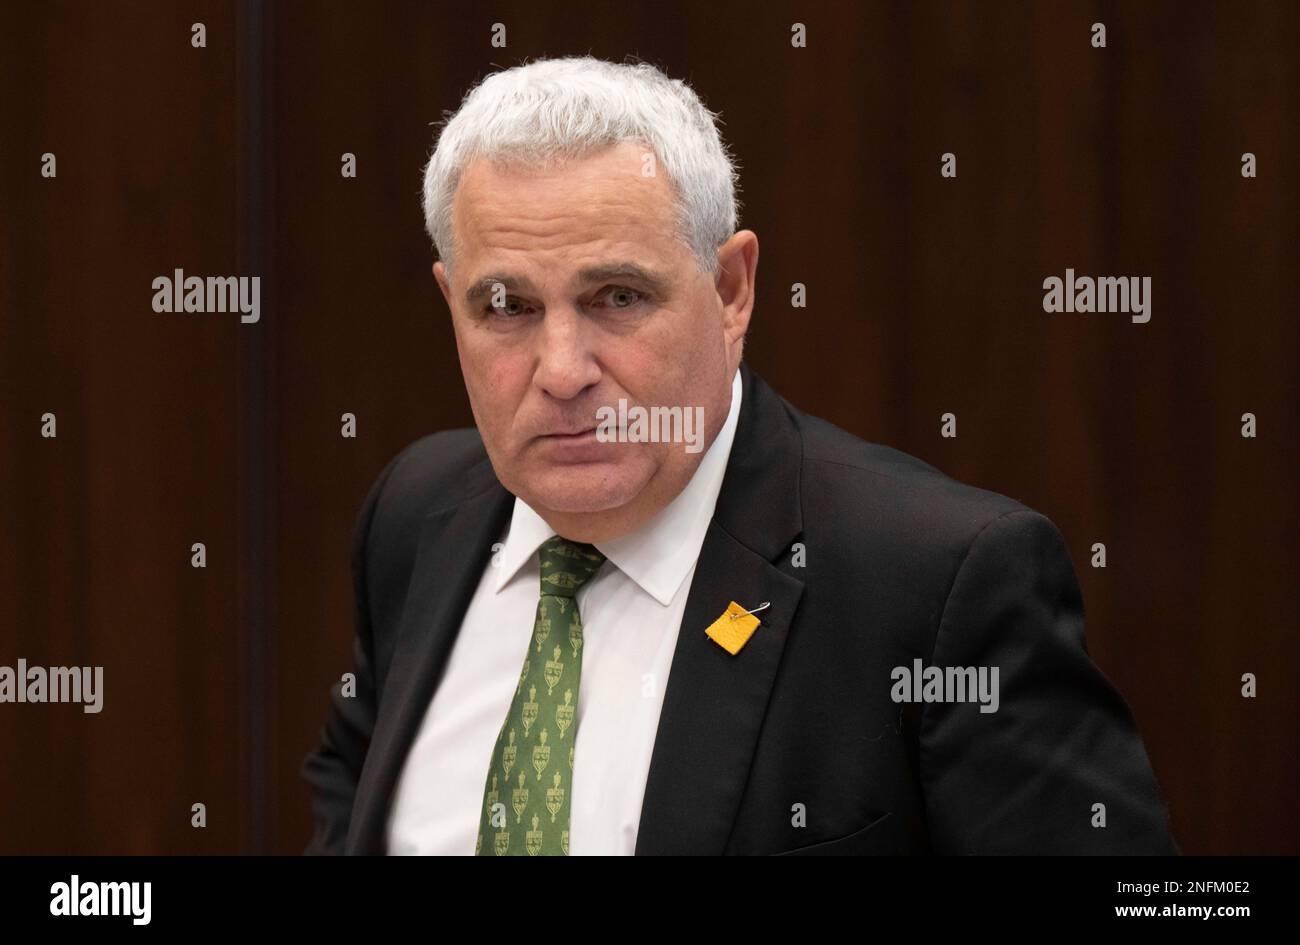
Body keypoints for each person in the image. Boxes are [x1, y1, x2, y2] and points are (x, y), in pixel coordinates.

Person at [301, 55, 1177, 855]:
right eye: (508, 306)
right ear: (451, 303)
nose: (562, 372)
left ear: (730, 291)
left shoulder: (937, 584)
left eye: (617, 296)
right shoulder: (417, 515)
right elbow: (355, 789)